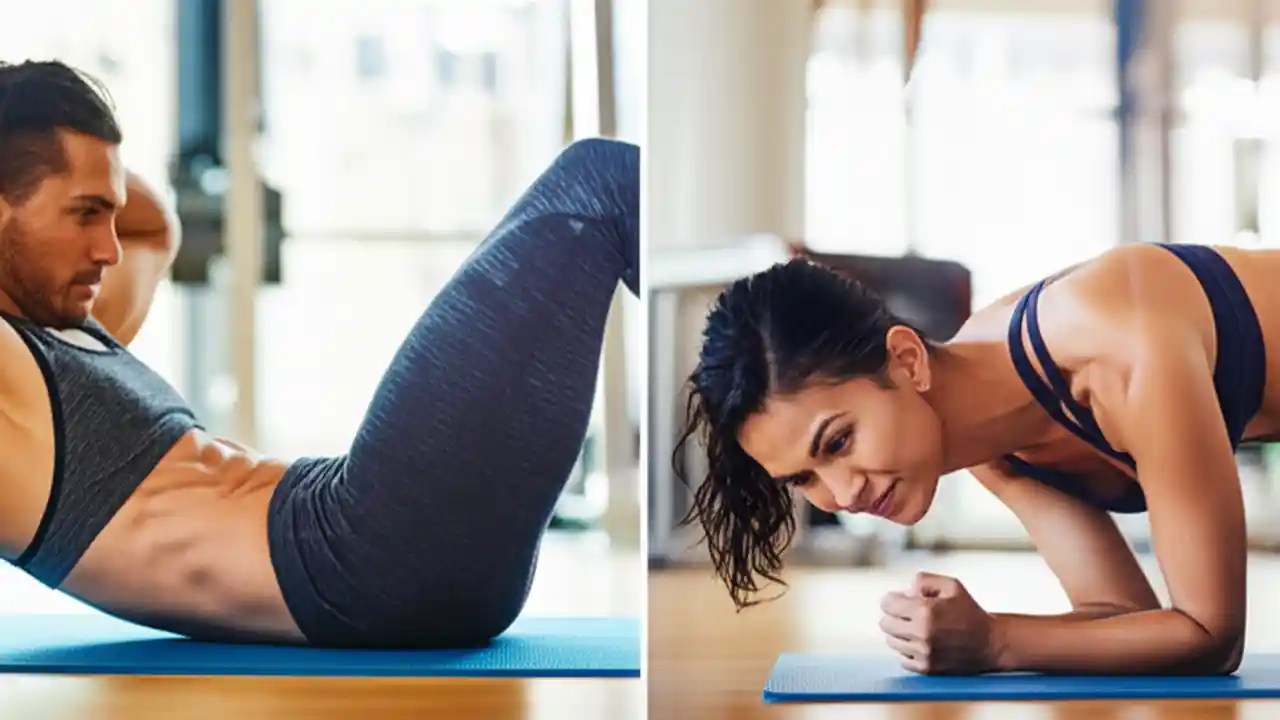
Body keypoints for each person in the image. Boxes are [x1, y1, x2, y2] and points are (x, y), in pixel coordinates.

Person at [0, 60, 639, 648]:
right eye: (84, 212)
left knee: (603, 182)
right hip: (361, 556)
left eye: (104, 211)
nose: (107, 248)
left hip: (377, 548)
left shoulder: (66, 321)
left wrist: (50, 130)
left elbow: (151, 228)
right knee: (598, 183)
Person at [676, 241, 1280, 676]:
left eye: (837, 442)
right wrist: (976, 635)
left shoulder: (1112, 342)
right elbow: (1124, 617)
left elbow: (1209, 636)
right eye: (804, 478)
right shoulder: (990, 446)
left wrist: (997, 643)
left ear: (907, 360)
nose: (843, 495)